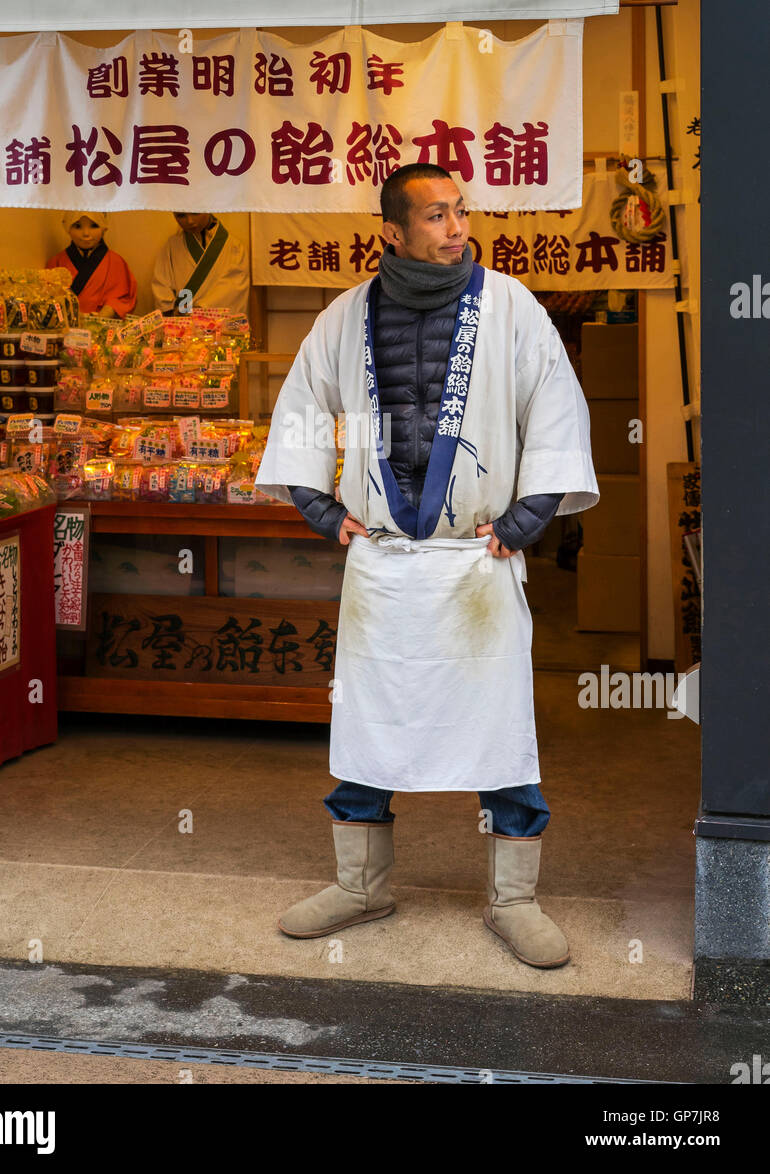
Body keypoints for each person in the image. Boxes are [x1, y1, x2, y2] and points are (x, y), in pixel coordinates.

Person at [254, 163, 599, 970]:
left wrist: (526, 519)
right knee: (368, 727)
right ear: (394, 231)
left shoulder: (512, 307)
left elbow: (555, 410)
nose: (456, 227)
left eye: (460, 212)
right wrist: (321, 510)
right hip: (382, 562)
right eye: (437, 215)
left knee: (502, 733)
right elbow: (301, 413)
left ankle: (515, 899)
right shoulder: (342, 319)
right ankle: (362, 885)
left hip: (476, 559)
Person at [151, 211, 250, 317]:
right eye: (181, 215)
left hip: (217, 324)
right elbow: (161, 285)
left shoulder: (234, 248)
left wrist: (199, 309)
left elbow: (233, 290)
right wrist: (170, 310)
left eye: (195, 213)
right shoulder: (171, 246)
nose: (190, 221)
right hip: (181, 324)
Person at [47, 212, 137, 319]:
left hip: (103, 327)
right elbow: (48, 298)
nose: (86, 233)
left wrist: (103, 315)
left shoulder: (116, 262)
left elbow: (123, 297)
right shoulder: (56, 262)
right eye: (78, 226)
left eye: (94, 226)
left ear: (103, 228)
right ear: (67, 228)